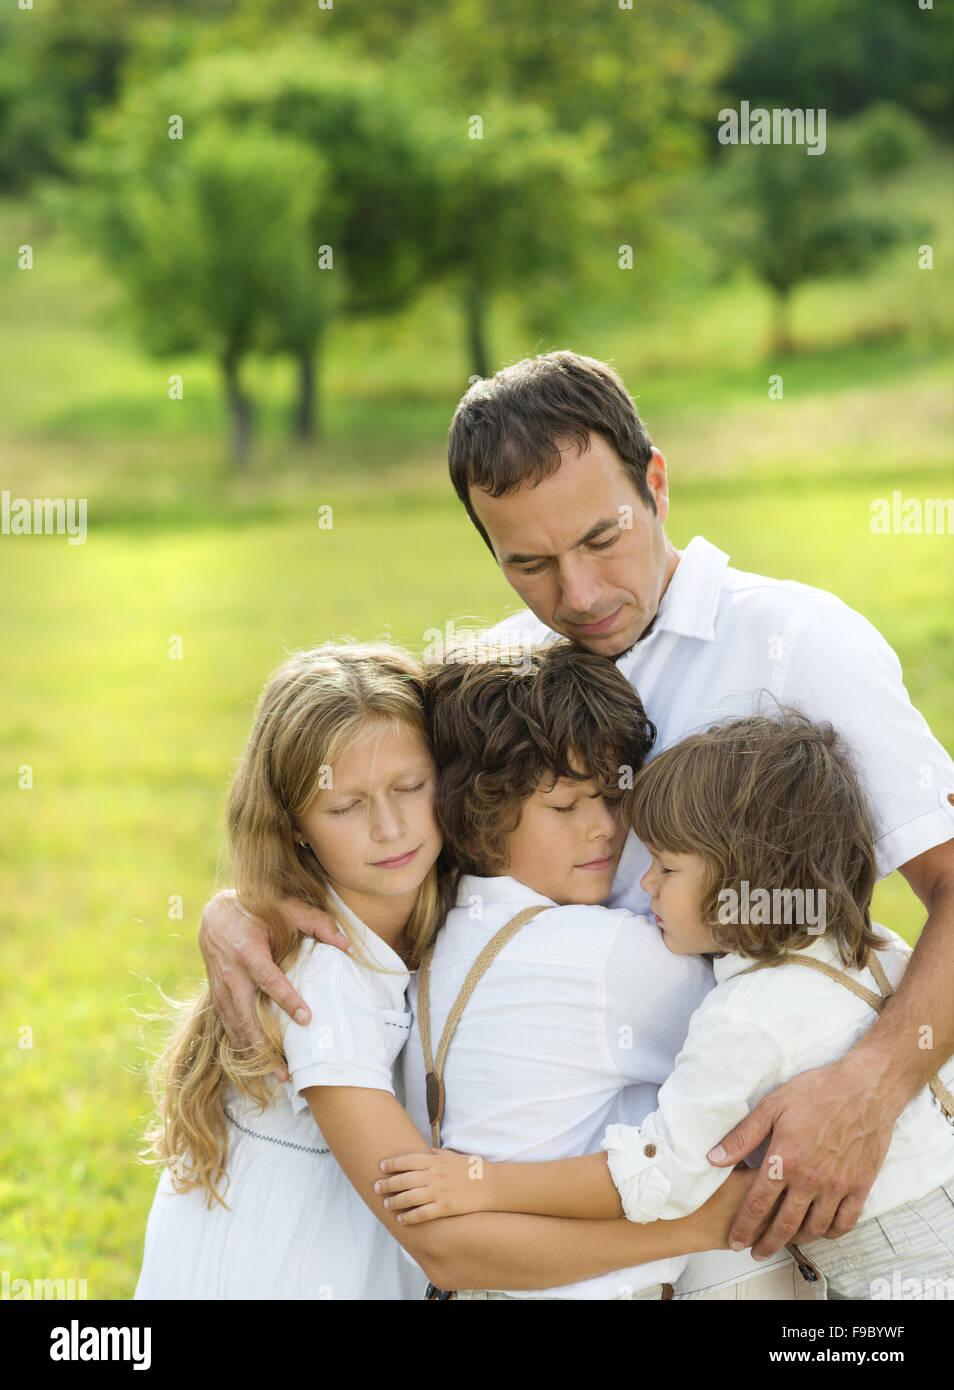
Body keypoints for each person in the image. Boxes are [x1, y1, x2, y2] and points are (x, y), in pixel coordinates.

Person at [197, 351, 954, 1297]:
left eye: (604, 538)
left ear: (659, 484)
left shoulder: (801, 642)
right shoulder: (501, 677)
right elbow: (363, 807)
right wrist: (240, 905)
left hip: (764, 1221)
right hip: (585, 1239)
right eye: (530, 564)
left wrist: (872, 1088)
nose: (581, 595)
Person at [135, 642, 753, 1298]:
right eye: (345, 807)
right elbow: (444, 1248)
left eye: (410, 788)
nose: (390, 828)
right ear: (293, 825)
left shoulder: (442, 916)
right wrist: (701, 1225)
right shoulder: (320, 982)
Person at [375, 712, 954, 1301]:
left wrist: (485, 1185)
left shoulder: (740, 1017)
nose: (645, 884)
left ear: (744, 885)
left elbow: (666, 1173)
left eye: (668, 868)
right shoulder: (880, 945)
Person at [385, 642, 818, 1300]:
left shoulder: (431, 942)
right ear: (474, 821)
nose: (604, 830)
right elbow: (776, 1039)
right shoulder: (605, 954)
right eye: (564, 808)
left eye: (613, 796)